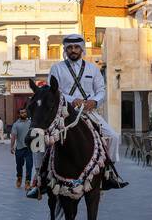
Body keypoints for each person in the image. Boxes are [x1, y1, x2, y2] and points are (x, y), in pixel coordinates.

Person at [48, 32, 126, 189]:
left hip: (89, 112)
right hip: (65, 113)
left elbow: (101, 90)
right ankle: (40, 178)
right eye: (69, 47)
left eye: (76, 47)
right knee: (44, 139)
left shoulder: (92, 68)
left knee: (113, 136)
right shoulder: (57, 68)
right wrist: (72, 100)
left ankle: (108, 173)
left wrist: (94, 101)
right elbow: (53, 91)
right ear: (65, 50)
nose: (73, 50)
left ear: (82, 49)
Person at [10, 107, 33, 189]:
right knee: (19, 165)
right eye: (22, 113)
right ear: (19, 114)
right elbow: (13, 136)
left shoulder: (30, 122)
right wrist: (12, 147)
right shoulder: (16, 124)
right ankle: (19, 177)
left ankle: (27, 182)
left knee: (29, 165)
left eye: (25, 112)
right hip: (19, 148)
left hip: (29, 148)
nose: (24, 114)